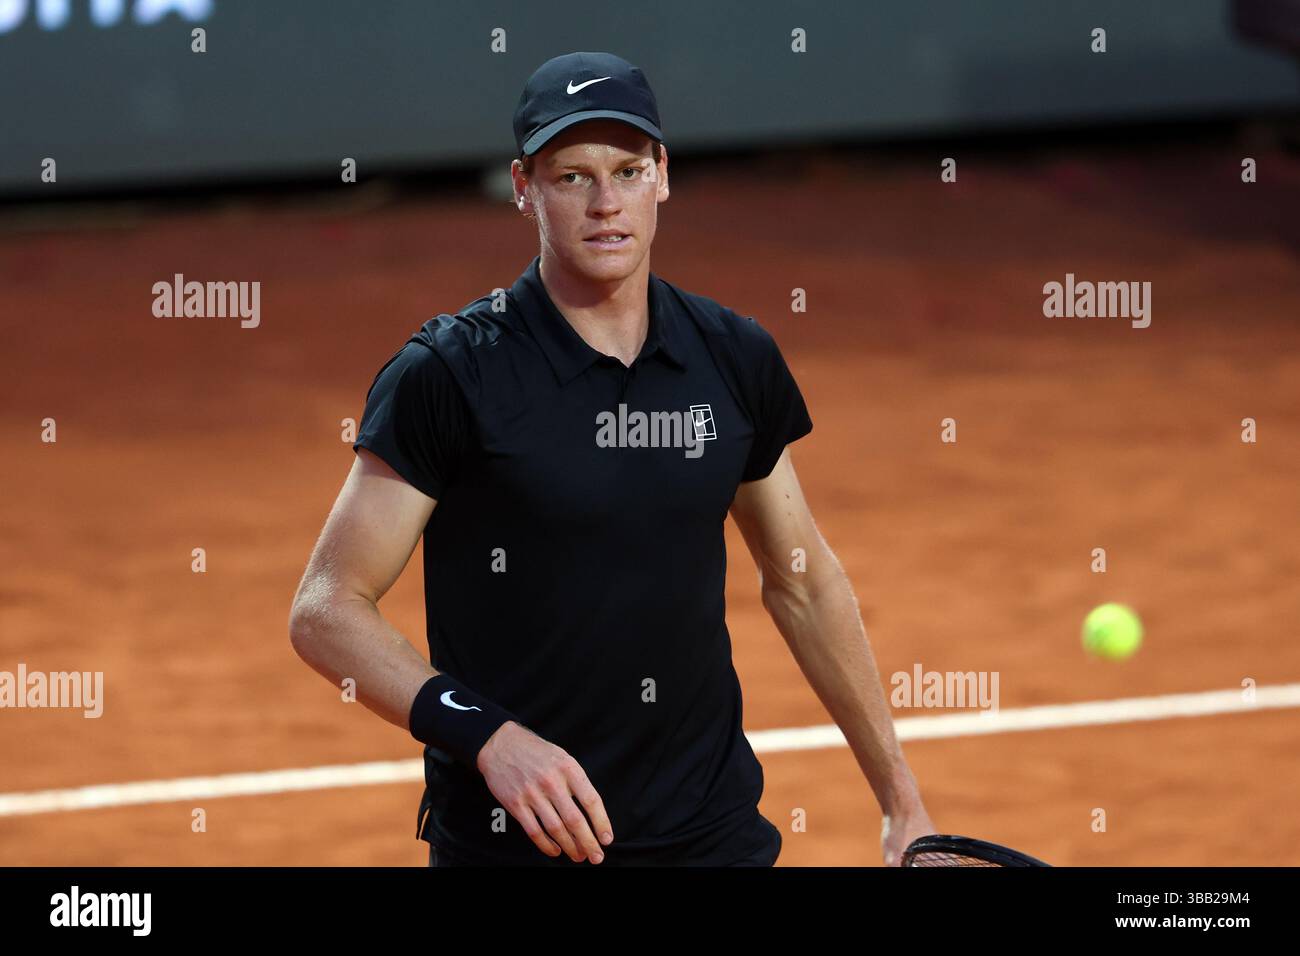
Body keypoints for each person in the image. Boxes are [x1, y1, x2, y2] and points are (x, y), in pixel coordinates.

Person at [289, 51, 934, 866]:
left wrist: (902, 802)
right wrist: (490, 739)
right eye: (572, 177)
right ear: (524, 187)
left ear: (662, 175)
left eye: (628, 171)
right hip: (520, 847)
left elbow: (802, 579)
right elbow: (326, 609)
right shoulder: (451, 375)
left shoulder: (732, 357)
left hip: (712, 837)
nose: (605, 204)